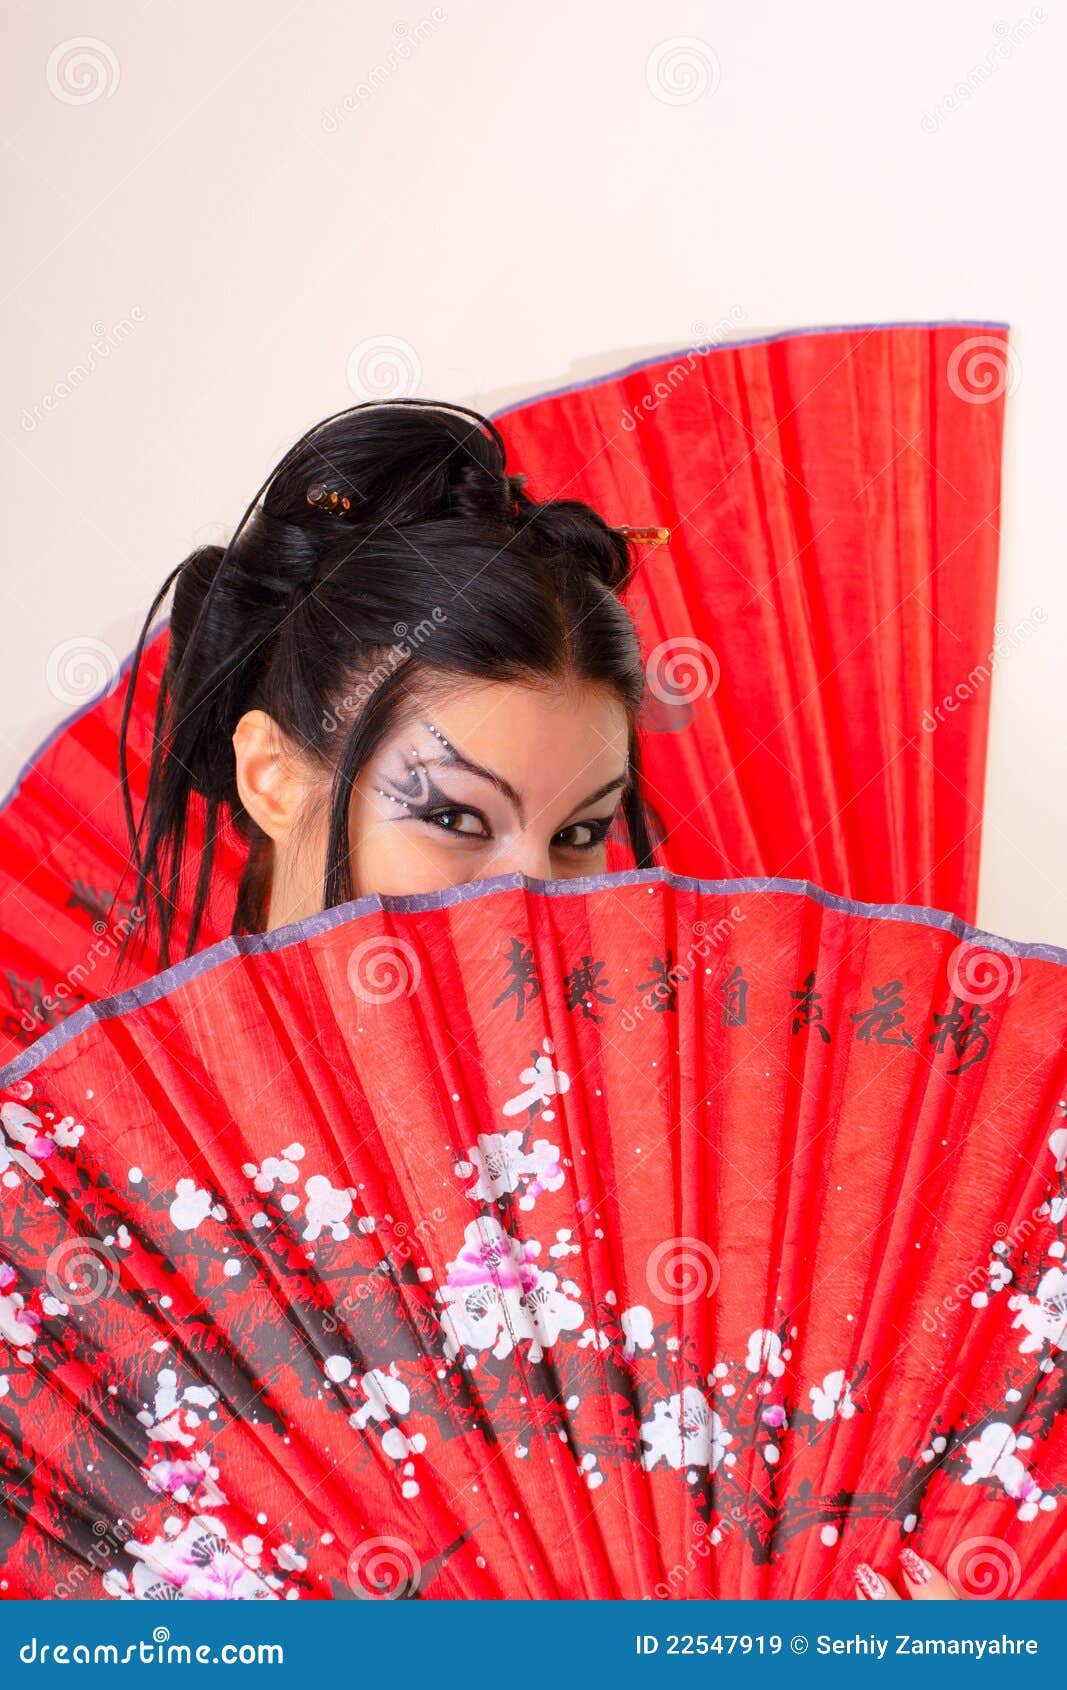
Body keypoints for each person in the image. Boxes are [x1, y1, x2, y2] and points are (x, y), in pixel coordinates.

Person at [119, 399, 979, 1603]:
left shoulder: (708, 1165)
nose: (524, 902)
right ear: (273, 775)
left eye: (578, 834)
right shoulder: (110, 1206)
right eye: (454, 819)